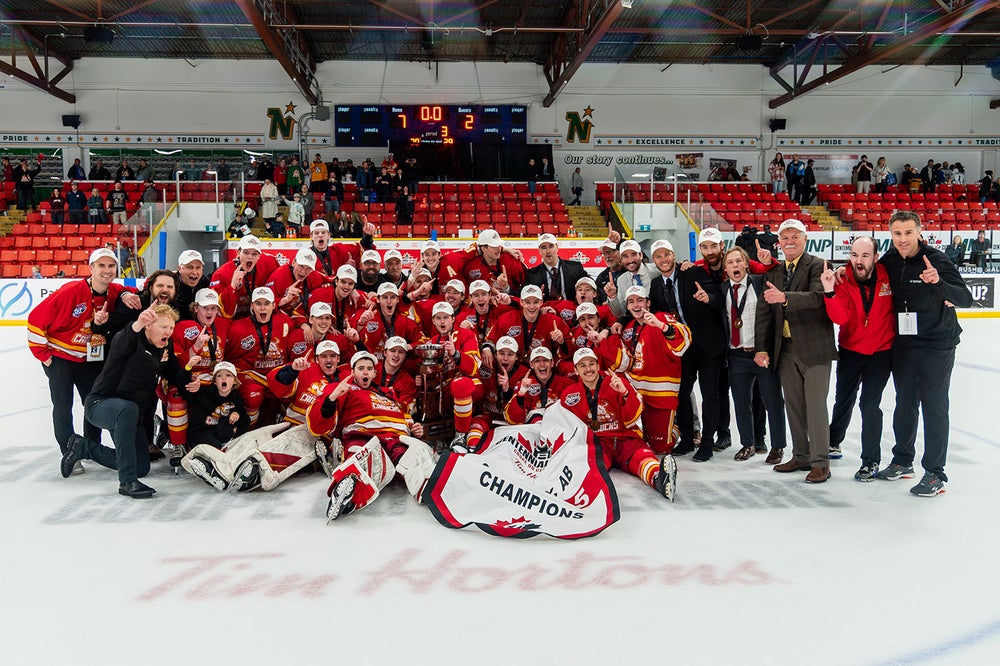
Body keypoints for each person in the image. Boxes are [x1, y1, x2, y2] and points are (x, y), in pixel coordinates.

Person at [875, 211, 972, 496]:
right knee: (904, 404)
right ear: (891, 234)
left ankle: (935, 472)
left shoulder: (937, 259)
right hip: (904, 344)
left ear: (919, 231)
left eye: (907, 233)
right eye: (897, 233)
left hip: (937, 344)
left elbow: (964, 299)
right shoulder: (889, 261)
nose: (902, 239)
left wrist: (938, 282)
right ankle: (903, 461)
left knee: (934, 406)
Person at [60, 304, 195, 498]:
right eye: (163, 327)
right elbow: (121, 340)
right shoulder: (132, 340)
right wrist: (138, 323)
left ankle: (82, 447)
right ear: (148, 325)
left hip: (131, 415)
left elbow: (174, 374)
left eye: (171, 328)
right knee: (128, 409)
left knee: (141, 466)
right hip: (101, 404)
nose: (169, 332)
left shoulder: (164, 346)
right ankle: (127, 482)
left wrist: (190, 376)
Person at [27, 248, 140, 461]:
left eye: (111, 266)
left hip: (89, 359)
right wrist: (42, 353)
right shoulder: (71, 291)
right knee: (63, 405)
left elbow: (126, 289)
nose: (106, 270)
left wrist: (125, 293)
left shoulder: (114, 291)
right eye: (101, 266)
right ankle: (69, 450)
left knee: (93, 402)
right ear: (91, 268)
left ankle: (91, 446)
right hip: (60, 357)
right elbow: (35, 320)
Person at [755, 219, 837, 483]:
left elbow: (819, 298)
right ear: (779, 242)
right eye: (785, 236)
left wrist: (786, 297)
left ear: (805, 239)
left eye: (795, 236)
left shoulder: (819, 265)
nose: (790, 241)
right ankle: (801, 454)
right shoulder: (775, 271)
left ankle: (821, 462)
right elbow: (764, 312)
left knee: (815, 406)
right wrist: (762, 348)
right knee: (794, 406)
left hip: (814, 348)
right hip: (786, 348)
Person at [307, 351, 432, 522]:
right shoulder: (344, 388)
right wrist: (332, 397)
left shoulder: (388, 394)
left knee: (407, 458)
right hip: (362, 436)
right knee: (361, 456)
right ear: (353, 372)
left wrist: (413, 427)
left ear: (374, 373)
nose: (365, 372)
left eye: (369, 369)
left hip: (392, 439)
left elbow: (403, 416)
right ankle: (348, 492)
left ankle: (429, 488)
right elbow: (320, 421)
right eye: (361, 368)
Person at [821, 237, 895, 480]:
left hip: (881, 352)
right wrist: (830, 292)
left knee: (870, 404)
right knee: (844, 399)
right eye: (854, 255)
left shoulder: (888, 274)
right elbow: (840, 318)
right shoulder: (842, 279)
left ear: (875, 257)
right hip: (851, 351)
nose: (858, 261)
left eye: (864, 256)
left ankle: (870, 461)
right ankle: (834, 440)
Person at [562, 347, 677, 500]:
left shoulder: (617, 382)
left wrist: (625, 393)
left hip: (626, 438)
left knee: (642, 457)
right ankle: (582, 495)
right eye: (582, 365)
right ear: (576, 370)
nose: (588, 369)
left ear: (597, 365)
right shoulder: (570, 394)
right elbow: (564, 425)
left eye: (591, 364)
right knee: (591, 464)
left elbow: (635, 415)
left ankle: (659, 479)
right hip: (598, 442)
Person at [721, 247, 787, 463]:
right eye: (730, 263)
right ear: (725, 269)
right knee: (741, 403)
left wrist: (765, 348)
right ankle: (747, 444)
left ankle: (778, 447)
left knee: (773, 401)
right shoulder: (722, 290)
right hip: (736, 355)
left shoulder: (759, 283)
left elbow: (778, 273)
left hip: (761, 353)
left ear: (746, 264)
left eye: (738, 261)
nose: (735, 266)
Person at [616, 285, 692, 454]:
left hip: (661, 394)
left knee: (660, 448)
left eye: (640, 301)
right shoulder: (628, 327)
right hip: (638, 391)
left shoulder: (661, 318)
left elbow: (684, 337)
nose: (636, 305)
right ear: (627, 306)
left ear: (648, 303)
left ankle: (675, 427)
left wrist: (662, 327)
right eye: (631, 302)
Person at [526, 233, 588, 302]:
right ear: (539, 251)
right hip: (546, 310)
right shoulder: (532, 274)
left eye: (551, 246)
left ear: (557, 247)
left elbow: (590, 284)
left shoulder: (575, 268)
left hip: (571, 308)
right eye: (544, 247)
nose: (548, 251)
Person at [605, 240, 654, 317]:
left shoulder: (656, 270)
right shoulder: (621, 280)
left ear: (640, 255)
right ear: (621, 260)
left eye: (633, 254)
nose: (630, 260)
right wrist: (613, 296)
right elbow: (621, 313)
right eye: (625, 256)